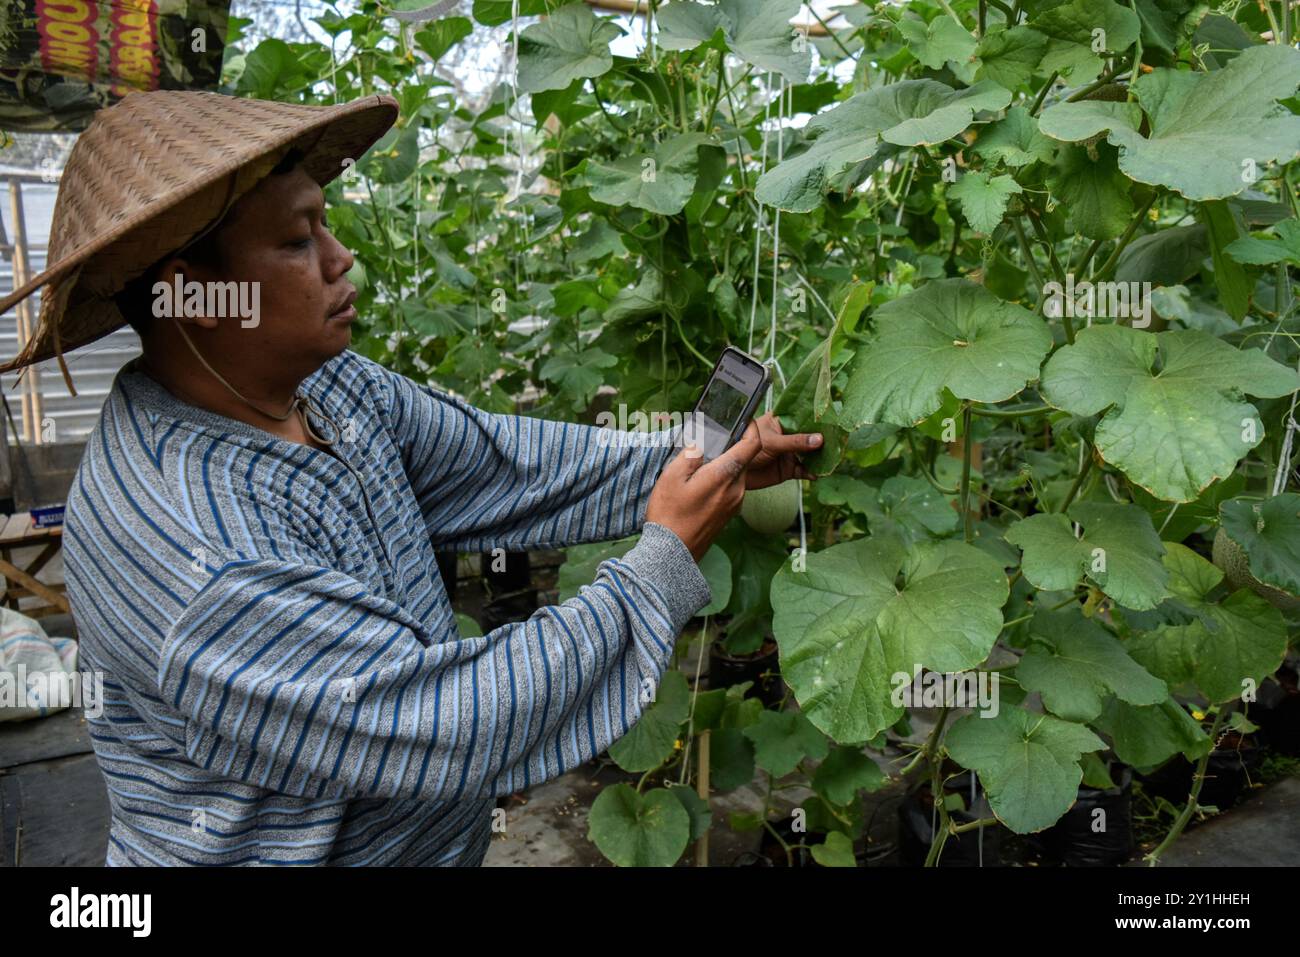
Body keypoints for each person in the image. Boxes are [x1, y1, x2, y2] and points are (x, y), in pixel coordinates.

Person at [0, 90, 822, 865]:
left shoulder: (325, 388)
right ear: (196, 296)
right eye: (296, 241)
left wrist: (694, 458)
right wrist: (657, 564)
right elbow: (446, 719)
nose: (339, 256)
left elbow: (502, 464)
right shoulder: (197, 555)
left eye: (325, 225)